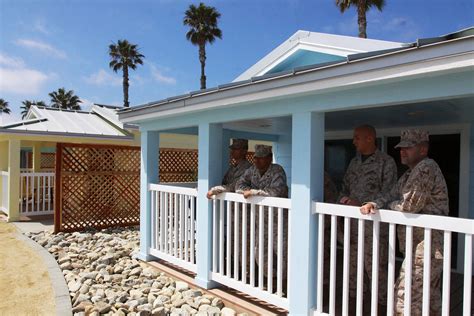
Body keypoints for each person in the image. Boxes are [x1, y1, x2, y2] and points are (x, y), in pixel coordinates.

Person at [360, 129, 448, 315]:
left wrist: (388, 206)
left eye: (408, 147)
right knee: (429, 301)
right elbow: (392, 193)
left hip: (428, 248)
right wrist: (375, 203)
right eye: (401, 147)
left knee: (404, 297)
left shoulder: (427, 167)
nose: (402, 151)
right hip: (419, 247)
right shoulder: (409, 174)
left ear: (423, 150)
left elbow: (409, 205)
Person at [338, 124, 397, 307]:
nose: (353, 141)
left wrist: (370, 204)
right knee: (352, 268)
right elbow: (344, 188)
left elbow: (391, 193)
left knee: (377, 269)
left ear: (369, 138)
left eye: (357, 137)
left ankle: (383, 304)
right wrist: (344, 200)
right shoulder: (354, 162)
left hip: (375, 229)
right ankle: (353, 302)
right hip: (353, 228)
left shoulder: (386, 162)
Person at [236, 144, 289, 281]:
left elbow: (277, 191)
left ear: (270, 158)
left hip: (278, 221)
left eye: (261, 158)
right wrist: (247, 191)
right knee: (260, 252)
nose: (257, 161)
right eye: (256, 158)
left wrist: (254, 192)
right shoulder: (252, 170)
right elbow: (239, 185)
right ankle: (271, 278)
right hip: (260, 220)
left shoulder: (277, 170)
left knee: (282, 252)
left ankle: (285, 281)